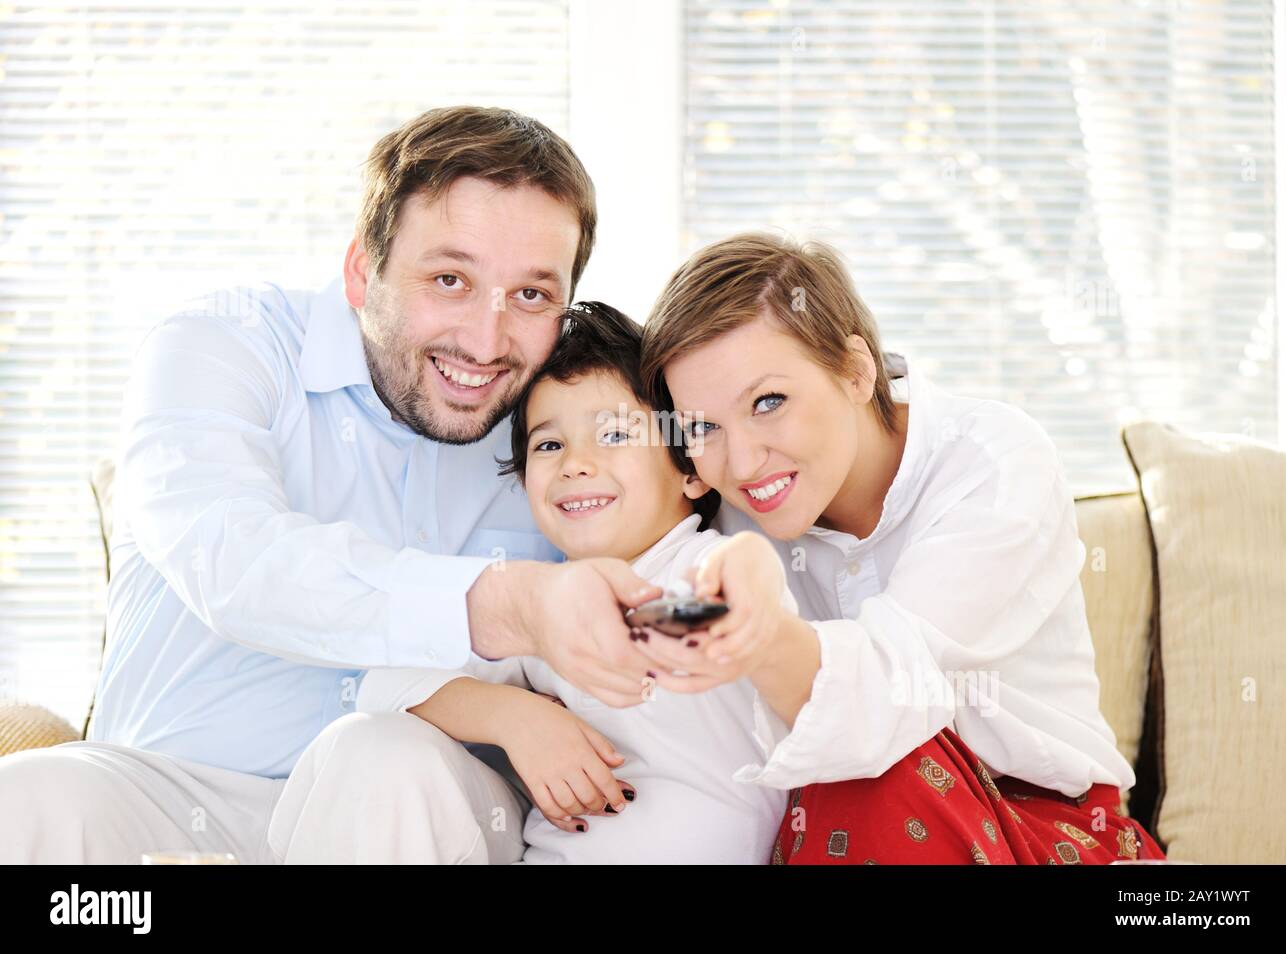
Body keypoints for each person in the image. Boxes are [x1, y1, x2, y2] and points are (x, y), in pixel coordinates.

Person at [0, 106, 670, 864]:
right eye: (449, 279)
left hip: (414, 811)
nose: (486, 343)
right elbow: (233, 559)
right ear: (361, 270)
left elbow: (700, 518)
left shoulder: (565, 425)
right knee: (30, 797)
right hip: (171, 799)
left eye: (531, 295)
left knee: (383, 756)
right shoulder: (223, 344)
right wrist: (509, 603)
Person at [632, 232, 1167, 864]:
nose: (744, 461)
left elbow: (890, 686)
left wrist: (757, 631)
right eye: (703, 428)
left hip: (1049, 827)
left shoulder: (993, 461)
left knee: (873, 770)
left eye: (768, 402)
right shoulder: (726, 516)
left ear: (856, 371)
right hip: (851, 830)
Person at [272, 302, 794, 863]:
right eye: (548, 445)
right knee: (364, 743)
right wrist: (516, 719)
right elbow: (383, 688)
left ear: (690, 468)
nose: (575, 463)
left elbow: (740, 609)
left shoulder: (706, 566)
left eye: (614, 434)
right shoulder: (542, 603)